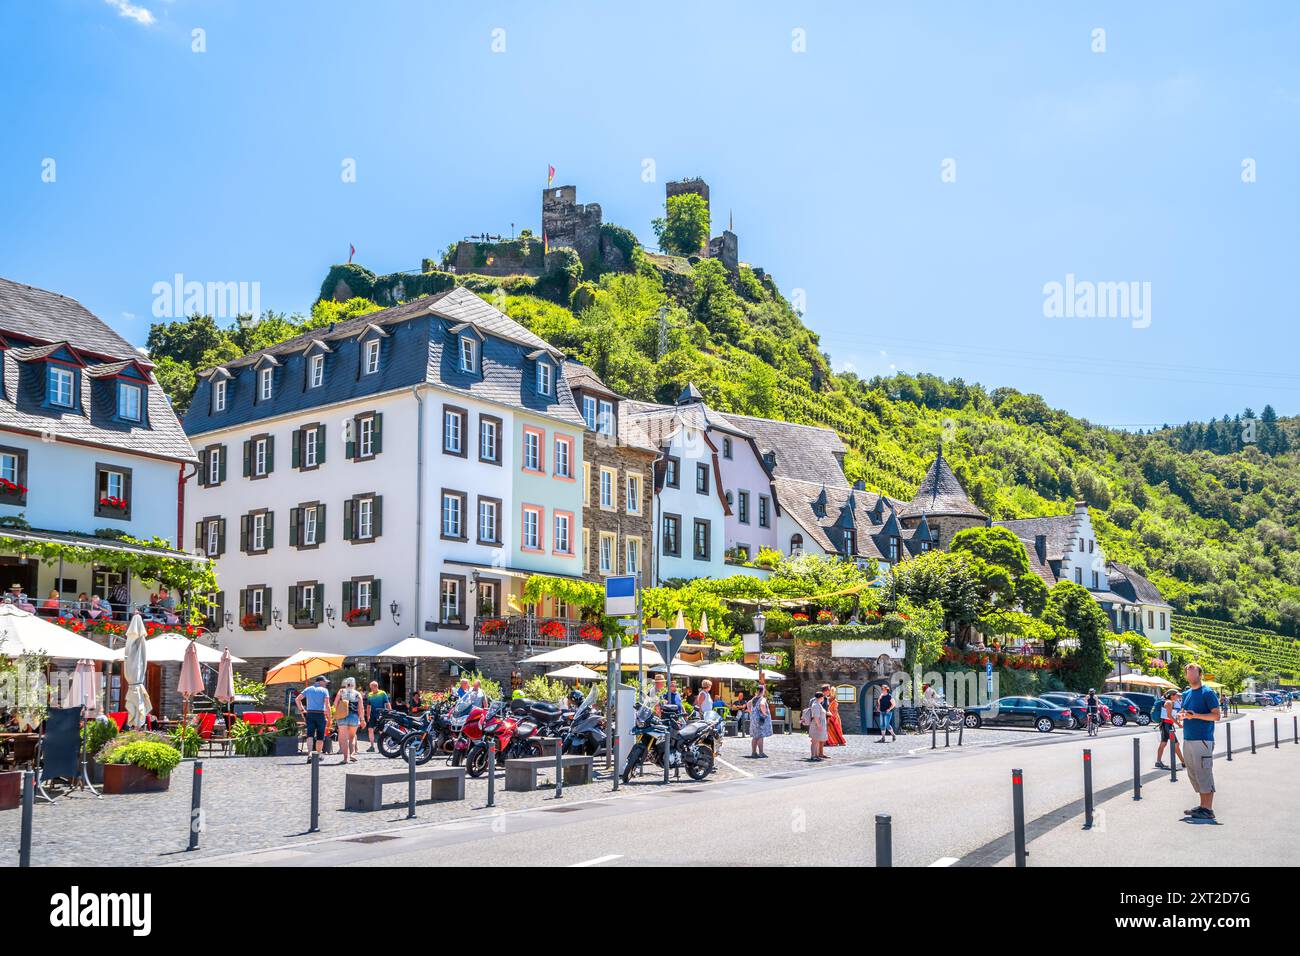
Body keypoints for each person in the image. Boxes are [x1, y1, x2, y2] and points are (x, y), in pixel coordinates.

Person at [1180, 662, 1220, 821]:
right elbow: (1185, 711)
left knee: (1204, 773)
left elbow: (1216, 716)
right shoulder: (1186, 693)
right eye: (1187, 673)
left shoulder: (1208, 693)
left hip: (1203, 739)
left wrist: (1195, 715)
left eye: (1193, 672)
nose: (1190, 675)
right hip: (1188, 738)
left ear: (1200, 675)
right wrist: (1182, 715)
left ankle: (1208, 809)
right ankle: (1203, 806)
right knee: (1194, 773)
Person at [295, 676, 332, 763]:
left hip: (310, 713)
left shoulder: (308, 689)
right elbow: (327, 705)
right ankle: (318, 755)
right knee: (320, 736)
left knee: (310, 735)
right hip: (320, 714)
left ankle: (309, 754)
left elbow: (297, 699)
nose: (326, 683)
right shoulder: (324, 691)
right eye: (325, 682)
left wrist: (302, 710)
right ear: (320, 682)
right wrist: (330, 718)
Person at [333, 677, 365, 764]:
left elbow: (335, 704)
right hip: (354, 717)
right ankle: (353, 754)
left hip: (342, 716)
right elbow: (361, 708)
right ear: (354, 684)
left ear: (345, 683)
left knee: (344, 739)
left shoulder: (341, 691)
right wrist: (362, 719)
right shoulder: (358, 694)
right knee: (352, 737)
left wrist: (333, 715)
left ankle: (345, 758)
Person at [1155, 689, 1183, 770]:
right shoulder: (1169, 703)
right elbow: (1169, 716)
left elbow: (1171, 715)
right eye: (1177, 695)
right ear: (1172, 695)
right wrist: (1178, 724)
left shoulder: (1170, 702)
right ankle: (1183, 762)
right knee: (1176, 744)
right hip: (1167, 725)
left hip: (1166, 725)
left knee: (1163, 743)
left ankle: (1158, 761)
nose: (1178, 696)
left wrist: (1178, 716)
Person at [364, 681, 391, 753]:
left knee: (381, 730)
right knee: (370, 729)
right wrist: (368, 716)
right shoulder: (370, 694)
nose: (371, 689)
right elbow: (368, 706)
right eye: (371, 688)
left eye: (372, 688)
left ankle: (381, 747)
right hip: (372, 715)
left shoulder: (382, 693)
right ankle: (372, 746)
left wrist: (390, 712)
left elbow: (387, 703)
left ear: (376, 686)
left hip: (381, 715)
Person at [749, 685, 772, 758]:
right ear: (763, 691)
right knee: (760, 736)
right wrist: (765, 713)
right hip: (760, 719)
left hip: (753, 719)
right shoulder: (763, 699)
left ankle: (753, 752)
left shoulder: (754, 698)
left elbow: (748, 703)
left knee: (755, 736)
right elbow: (762, 705)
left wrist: (751, 711)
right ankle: (761, 753)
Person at [805, 690, 828, 761]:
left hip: (818, 725)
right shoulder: (816, 705)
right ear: (821, 697)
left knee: (817, 741)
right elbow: (816, 717)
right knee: (815, 741)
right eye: (823, 697)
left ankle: (816, 755)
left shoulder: (818, 704)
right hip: (816, 725)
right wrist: (819, 726)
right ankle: (813, 755)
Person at [823, 683, 846, 749]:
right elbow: (834, 710)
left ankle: (830, 740)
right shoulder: (832, 700)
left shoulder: (828, 699)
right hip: (833, 715)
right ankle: (833, 741)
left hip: (830, 714)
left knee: (831, 729)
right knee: (835, 729)